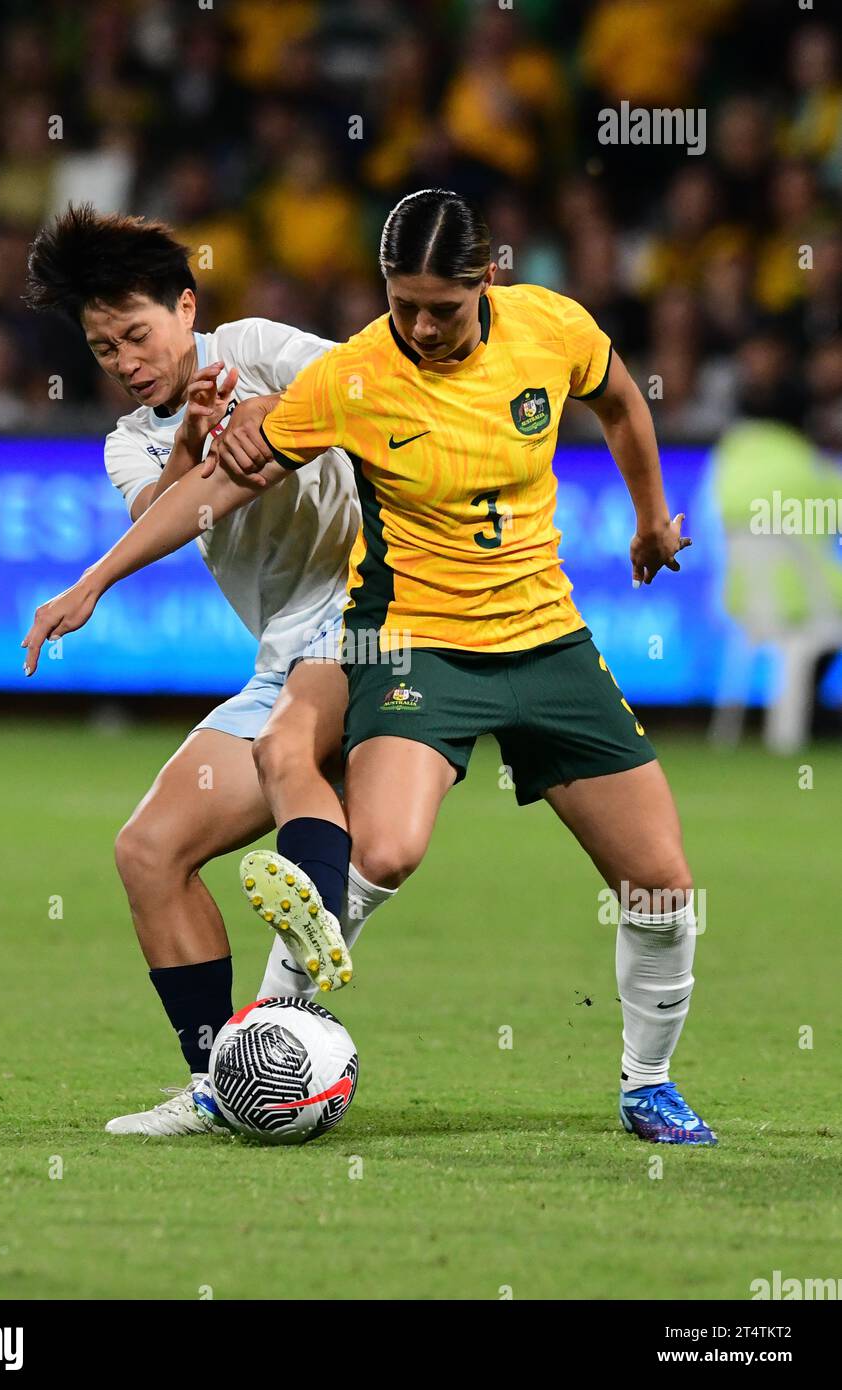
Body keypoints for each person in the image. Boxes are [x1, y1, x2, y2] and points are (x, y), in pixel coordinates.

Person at [221, 188, 716, 1146]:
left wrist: (652, 518)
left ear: (489, 278)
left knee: (661, 886)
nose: (417, 324)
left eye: (439, 307)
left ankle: (647, 1084)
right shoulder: (355, 374)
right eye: (399, 301)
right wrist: (106, 571)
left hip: (547, 639)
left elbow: (619, 400)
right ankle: (259, 1039)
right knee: (387, 851)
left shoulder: (549, 327)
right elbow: (231, 471)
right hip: (418, 642)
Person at [23, 205, 389, 1138]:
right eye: (104, 349)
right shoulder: (131, 442)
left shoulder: (263, 348)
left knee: (284, 749)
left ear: (187, 308)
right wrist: (186, 450)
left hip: (373, 618)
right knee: (147, 852)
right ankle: (226, 1079)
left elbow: (369, 384)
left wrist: (274, 411)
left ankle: (320, 912)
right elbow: (170, 507)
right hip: (281, 654)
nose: (125, 360)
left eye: (136, 334)